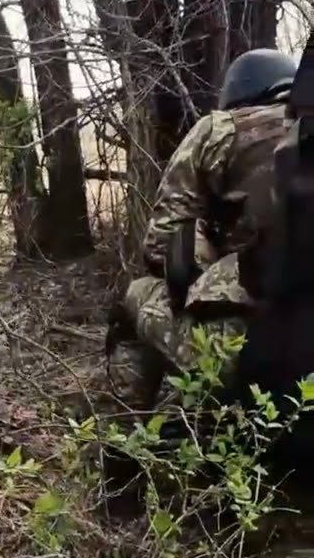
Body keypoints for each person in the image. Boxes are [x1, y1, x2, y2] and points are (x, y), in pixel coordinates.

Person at [107, 47, 298, 409]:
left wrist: (212, 260)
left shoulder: (220, 129)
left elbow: (161, 246)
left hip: (255, 337)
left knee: (135, 296)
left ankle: (127, 445)